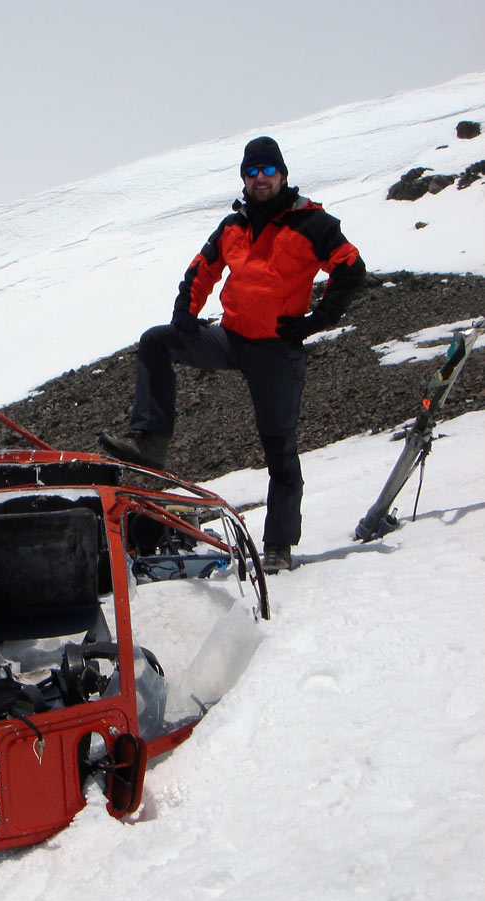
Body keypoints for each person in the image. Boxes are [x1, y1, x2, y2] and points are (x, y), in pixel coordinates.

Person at [99, 136, 366, 574]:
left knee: (279, 450)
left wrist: (316, 320)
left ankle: (279, 545)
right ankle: (149, 443)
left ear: (282, 174)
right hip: (230, 337)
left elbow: (351, 269)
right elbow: (201, 269)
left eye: (268, 170)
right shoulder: (234, 225)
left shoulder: (311, 223)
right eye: (252, 171)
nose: (260, 179)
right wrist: (185, 314)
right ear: (244, 178)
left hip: (276, 350)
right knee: (156, 341)